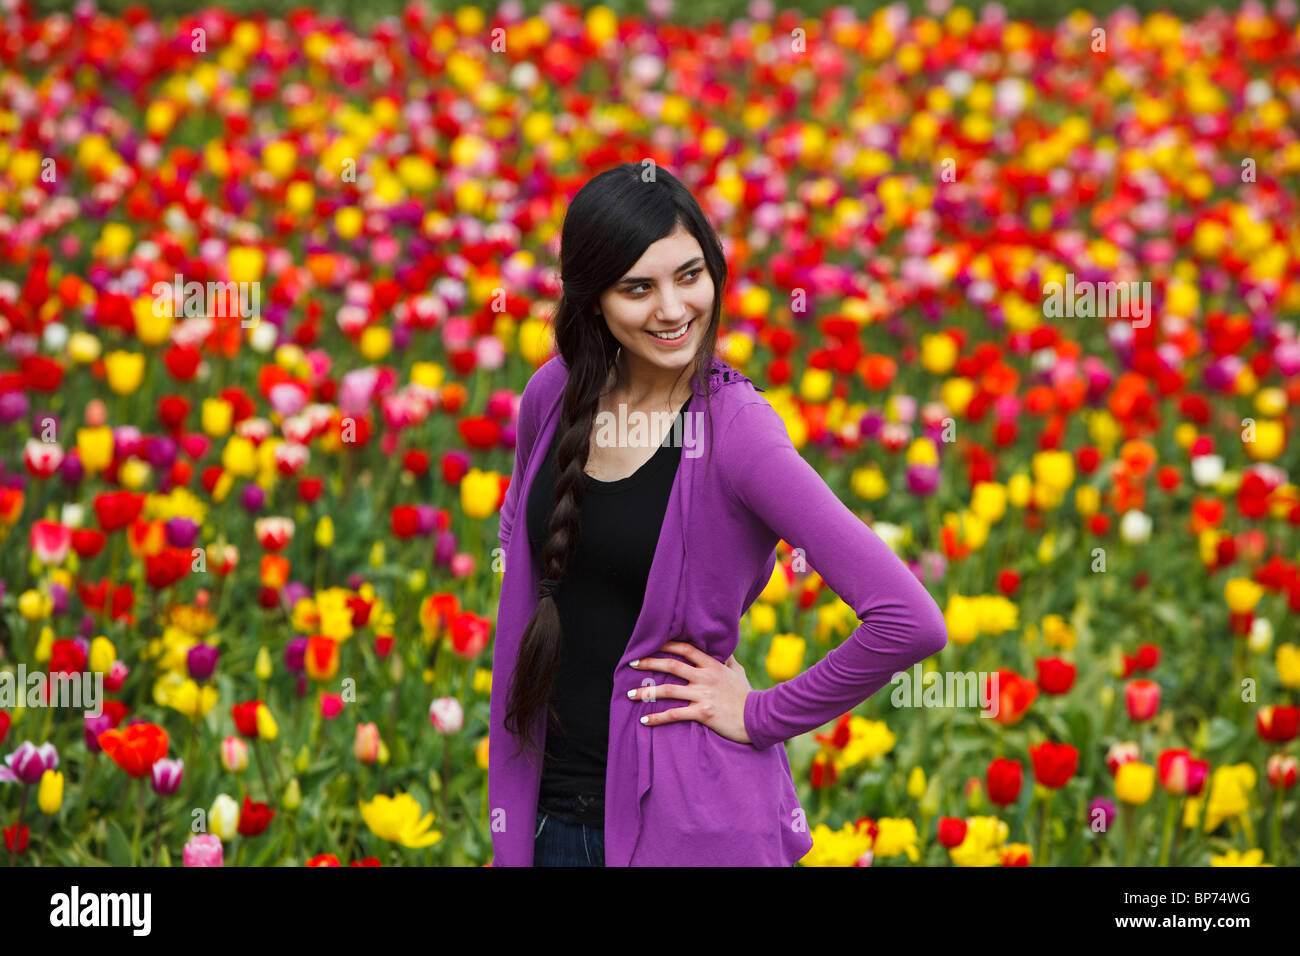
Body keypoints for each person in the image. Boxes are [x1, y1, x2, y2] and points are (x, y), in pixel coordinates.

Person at [490, 163, 947, 866]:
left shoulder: (737, 432)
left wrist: (762, 713)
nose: (673, 309)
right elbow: (525, 557)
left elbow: (908, 619)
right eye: (637, 288)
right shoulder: (552, 395)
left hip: (689, 827)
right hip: (547, 819)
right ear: (592, 301)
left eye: (690, 274)